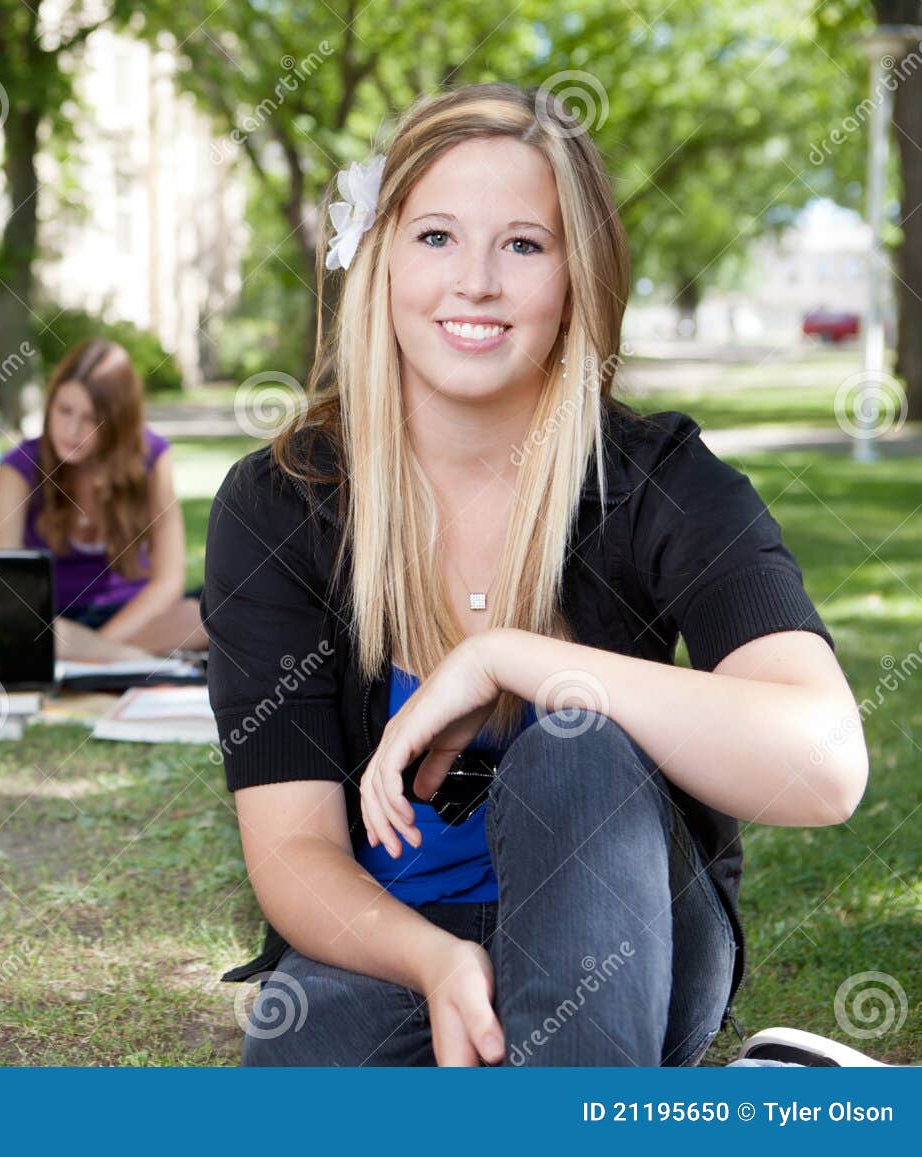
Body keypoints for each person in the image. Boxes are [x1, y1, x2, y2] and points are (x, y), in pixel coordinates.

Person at [201, 83, 870, 1067]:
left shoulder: (658, 481)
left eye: (522, 244)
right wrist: (432, 962)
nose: (473, 280)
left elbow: (824, 764)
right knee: (308, 1050)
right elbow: (294, 849)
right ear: (378, 261)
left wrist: (510, 657)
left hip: (629, 947)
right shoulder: (278, 501)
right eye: (434, 237)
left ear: (575, 280)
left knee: (574, 737)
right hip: (397, 944)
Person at [0, 338, 207, 662]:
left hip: (133, 619)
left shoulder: (152, 457)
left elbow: (168, 581)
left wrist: (97, 647)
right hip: (53, 624)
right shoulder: (21, 466)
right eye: (64, 411)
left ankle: (107, 661)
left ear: (118, 423)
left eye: (91, 419)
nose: (72, 429)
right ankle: (135, 662)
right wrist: (93, 651)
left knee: (211, 613)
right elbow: (5, 582)